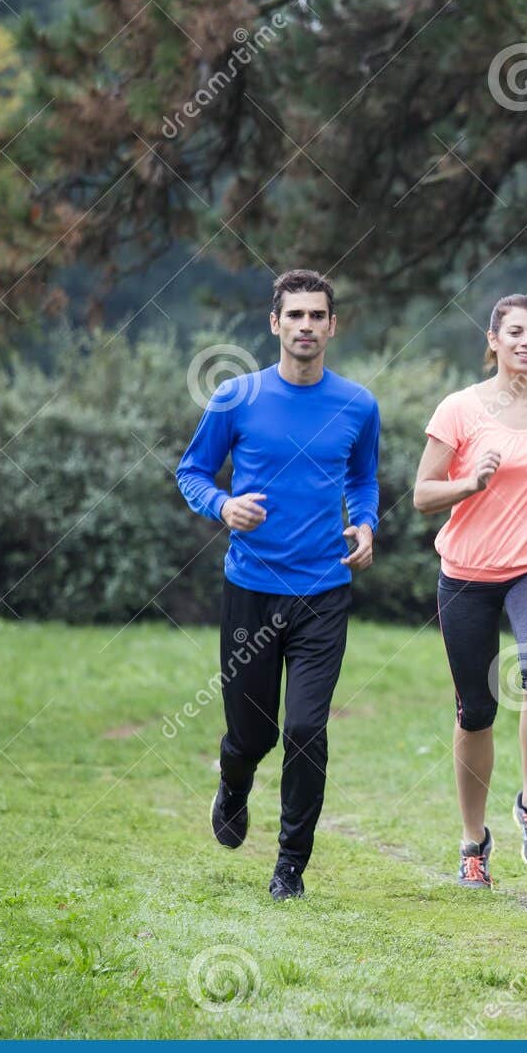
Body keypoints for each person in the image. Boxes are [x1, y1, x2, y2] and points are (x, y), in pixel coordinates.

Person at [176, 268, 380, 901]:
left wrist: (367, 525)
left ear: (332, 326)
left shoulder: (358, 405)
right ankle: (234, 780)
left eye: (318, 316)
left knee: (306, 729)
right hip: (251, 591)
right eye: (295, 316)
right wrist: (222, 506)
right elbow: (192, 472)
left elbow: (363, 480)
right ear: (275, 324)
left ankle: (291, 863)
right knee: (253, 734)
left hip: (323, 590)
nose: (306, 327)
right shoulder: (236, 398)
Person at [413, 294, 527, 889]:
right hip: (466, 574)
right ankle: (472, 841)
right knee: (476, 710)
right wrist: (469, 482)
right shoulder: (460, 410)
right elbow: (422, 494)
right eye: (515, 332)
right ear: (493, 340)